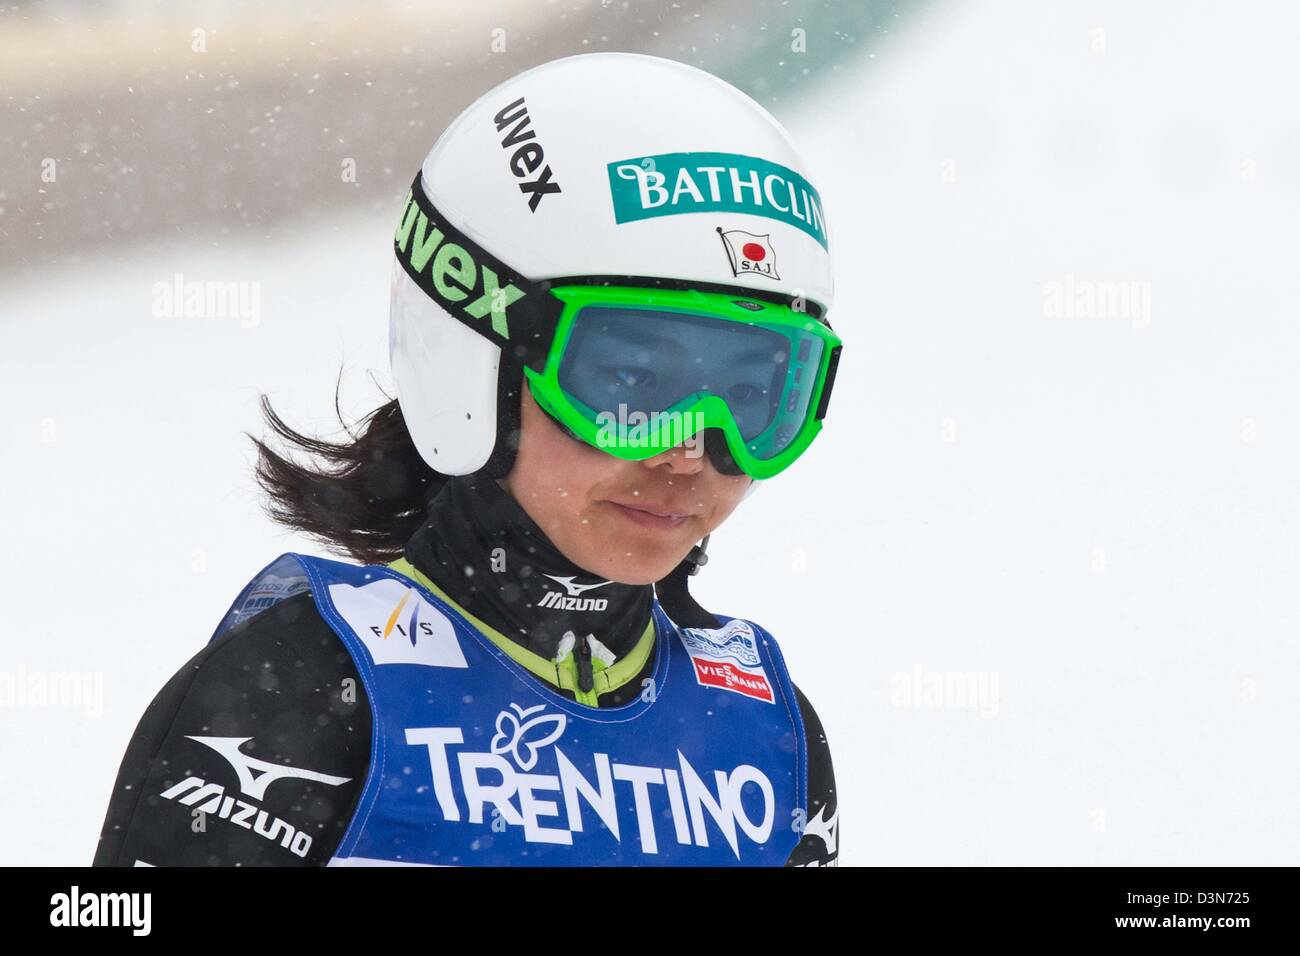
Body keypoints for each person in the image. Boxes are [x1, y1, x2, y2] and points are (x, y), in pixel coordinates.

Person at [93, 51, 843, 867]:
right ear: (478, 362)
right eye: (632, 382)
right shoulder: (309, 689)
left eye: (751, 395)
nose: (692, 455)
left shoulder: (765, 737)